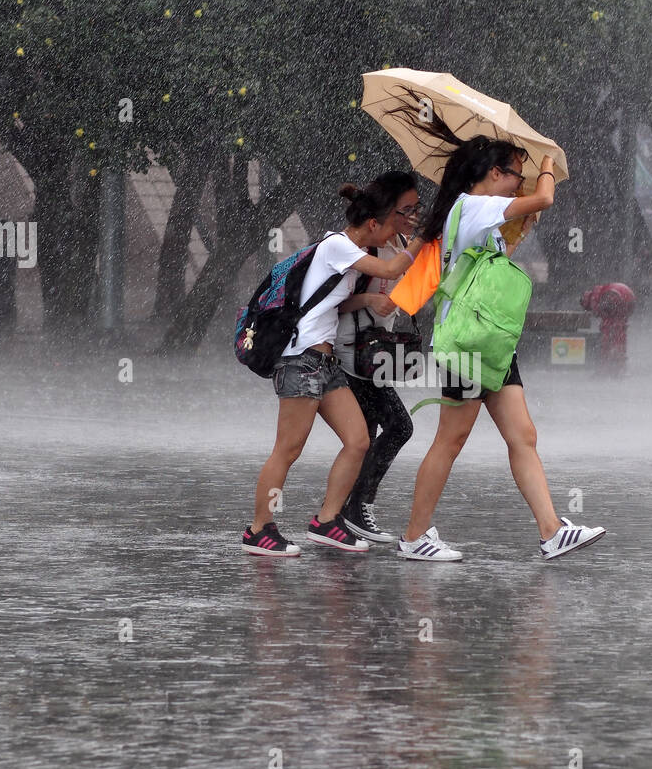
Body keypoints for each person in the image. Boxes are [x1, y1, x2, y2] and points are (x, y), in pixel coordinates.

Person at [395, 134, 606, 562]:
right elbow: (544, 199)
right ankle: (415, 537)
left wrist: (518, 236)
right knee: (449, 441)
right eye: (516, 174)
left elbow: (487, 271)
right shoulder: (475, 205)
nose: (519, 183)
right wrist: (548, 166)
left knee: (523, 435)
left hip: (491, 343)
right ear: (494, 173)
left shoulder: (476, 214)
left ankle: (552, 531)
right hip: (469, 343)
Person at [242, 173, 426, 557]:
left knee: (358, 441)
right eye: (394, 220)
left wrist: (377, 291)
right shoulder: (339, 246)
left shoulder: (351, 256)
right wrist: (428, 235)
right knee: (287, 450)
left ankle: (326, 521)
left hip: (323, 363)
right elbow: (392, 272)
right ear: (373, 223)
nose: (396, 230)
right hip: (300, 359)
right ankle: (260, 528)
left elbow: (340, 300)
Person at [332, 204, 420, 544]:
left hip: (376, 352)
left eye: (417, 209)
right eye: (407, 209)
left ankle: (340, 515)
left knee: (365, 437)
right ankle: (356, 506)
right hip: (353, 351)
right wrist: (369, 298)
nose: (414, 216)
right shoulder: (365, 249)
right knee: (399, 426)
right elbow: (333, 301)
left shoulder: (399, 245)